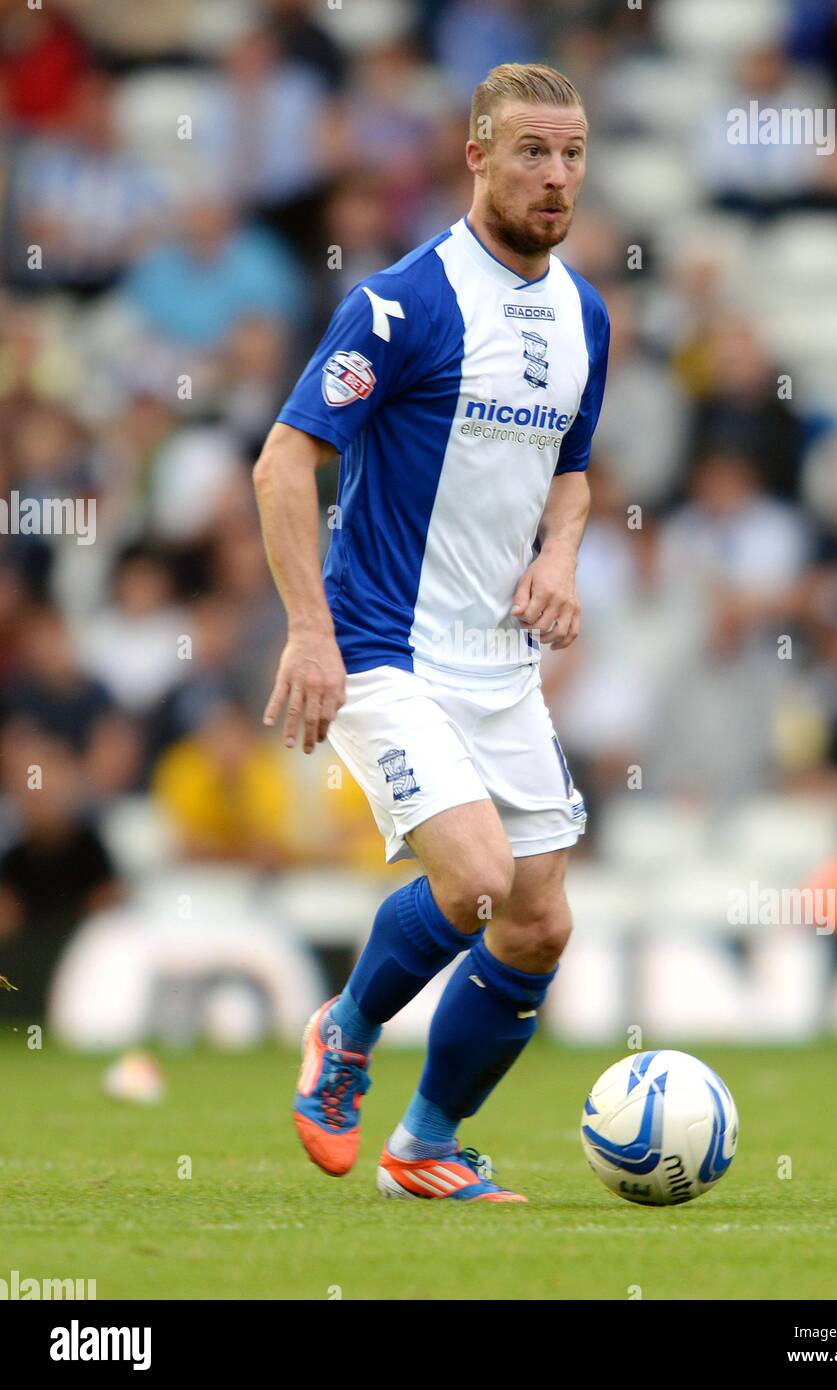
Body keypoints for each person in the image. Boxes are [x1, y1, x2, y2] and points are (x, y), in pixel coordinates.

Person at [253, 63, 609, 1202]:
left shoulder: (583, 312)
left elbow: (573, 474)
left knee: (540, 923)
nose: (556, 179)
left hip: (499, 664)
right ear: (477, 156)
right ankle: (347, 1027)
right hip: (381, 648)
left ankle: (426, 1143)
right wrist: (310, 632)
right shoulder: (404, 302)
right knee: (484, 881)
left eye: (573, 155)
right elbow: (282, 460)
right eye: (532, 154)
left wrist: (558, 556)